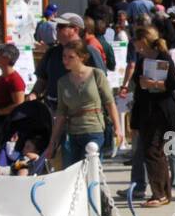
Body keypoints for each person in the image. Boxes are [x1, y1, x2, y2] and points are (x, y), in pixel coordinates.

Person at [43, 40, 123, 168]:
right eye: (64, 56)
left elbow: (110, 102)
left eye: (71, 57)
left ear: (82, 57)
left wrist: (118, 128)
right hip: (72, 134)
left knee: (91, 171)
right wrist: (52, 142)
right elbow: (61, 113)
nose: (65, 60)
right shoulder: (62, 82)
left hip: (94, 130)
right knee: (71, 173)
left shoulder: (97, 74)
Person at [129, 26, 175, 207]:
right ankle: (162, 193)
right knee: (152, 152)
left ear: (143, 39)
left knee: (154, 152)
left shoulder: (163, 56)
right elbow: (136, 82)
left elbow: (174, 83)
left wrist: (156, 84)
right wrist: (141, 82)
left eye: (135, 40)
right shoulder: (143, 58)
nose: (134, 44)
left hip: (161, 111)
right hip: (145, 111)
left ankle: (159, 194)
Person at [33, 13, 105, 109]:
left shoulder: (89, 52)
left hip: (80, 113)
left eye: (61, 26)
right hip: (53, 110)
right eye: (57, 26)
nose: (57, 29)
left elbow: (101, 83)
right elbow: (42, 79)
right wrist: (34, 93)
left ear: (75, 30)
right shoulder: (52, 52)